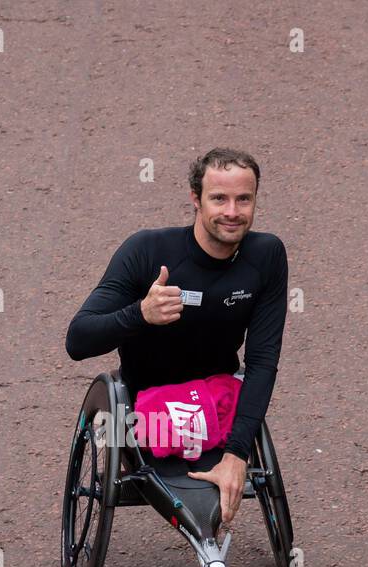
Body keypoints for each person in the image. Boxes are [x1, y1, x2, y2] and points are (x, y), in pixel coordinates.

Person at [66, 148, 288, 523]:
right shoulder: (148, 251)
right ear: (195, 199)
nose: (232, 211)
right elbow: (78, 340)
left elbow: (263, 360)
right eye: (219, 198)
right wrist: (141, 314)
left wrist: (237, 454)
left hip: (215, 400)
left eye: (243, 199)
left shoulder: (267, 256)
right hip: (145, 411)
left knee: (238, 400)